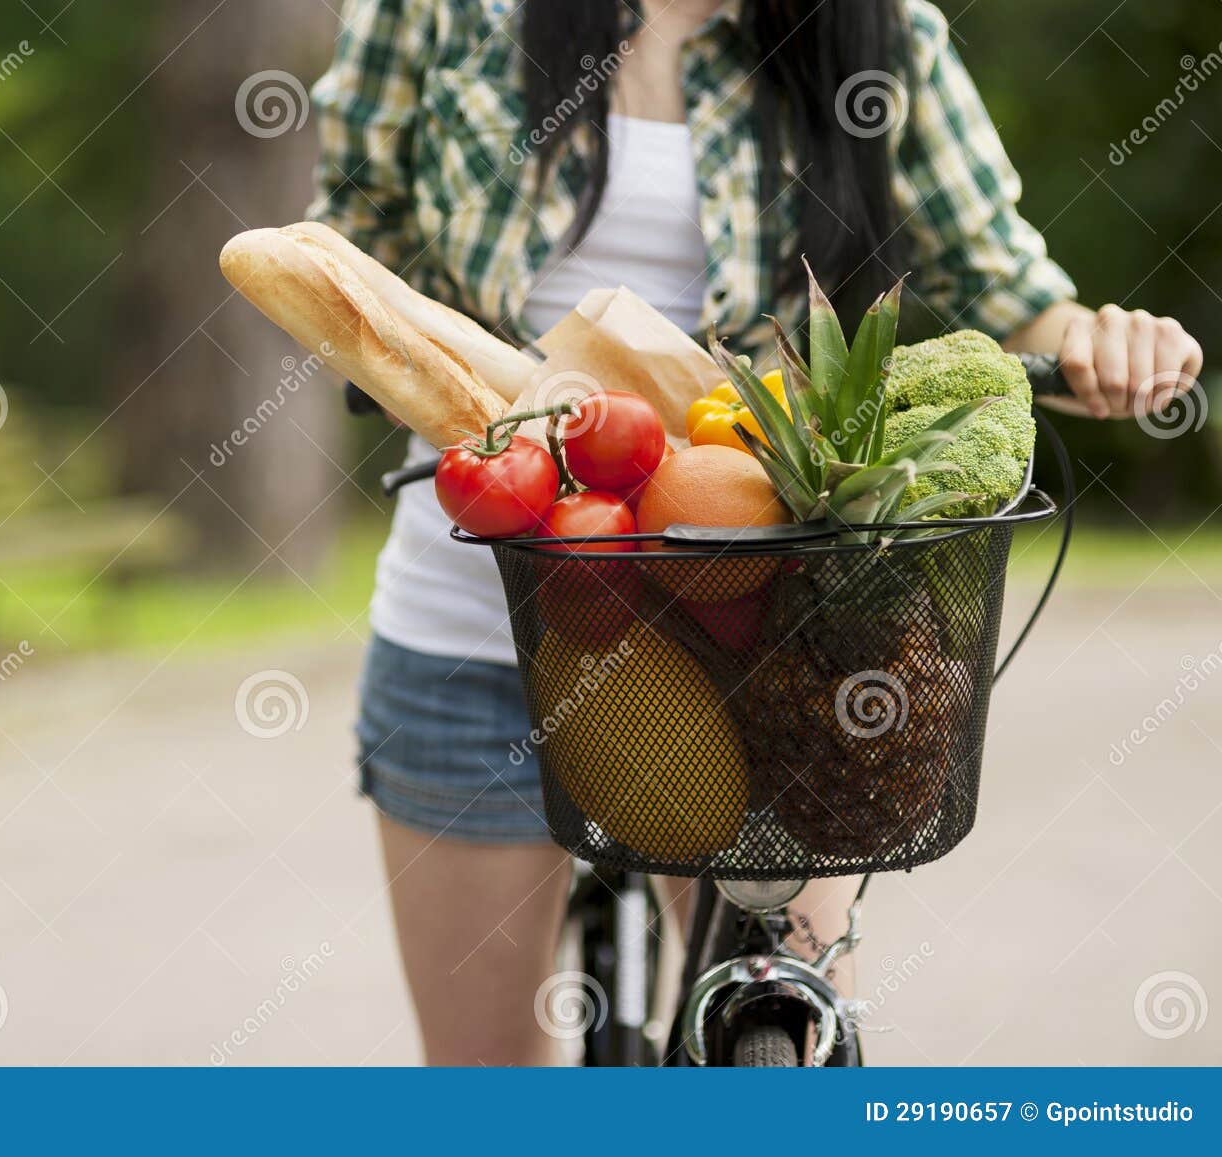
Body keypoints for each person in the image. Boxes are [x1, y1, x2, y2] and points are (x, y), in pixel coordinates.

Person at [307, 0, 1204, 1065]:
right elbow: (348, 244)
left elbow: (1009, 294)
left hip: (762, 622)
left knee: (797, 1038)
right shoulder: (443, 11)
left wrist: (1105, 343)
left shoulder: (878, 32)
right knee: (482, 1086)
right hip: (485, 614)